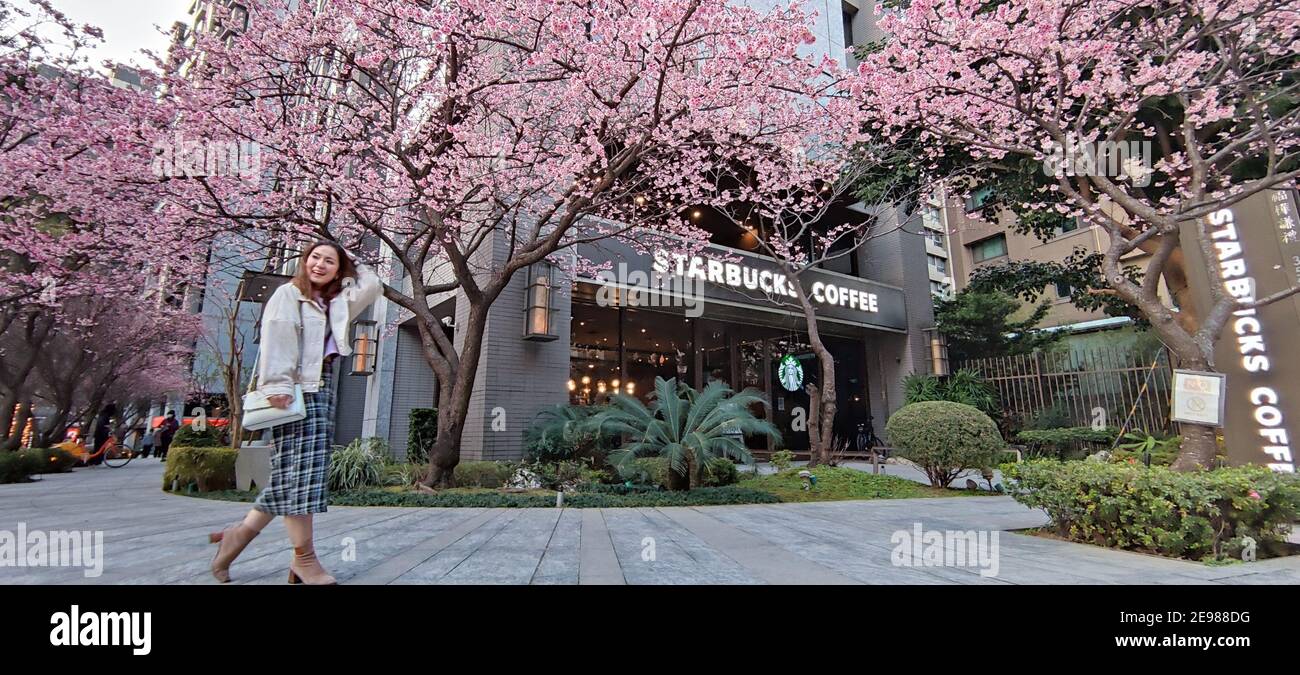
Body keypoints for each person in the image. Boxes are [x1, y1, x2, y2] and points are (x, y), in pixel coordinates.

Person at [208, 241, 380, 585]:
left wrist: (351, 257)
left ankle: (236, 538)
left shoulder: (336, 302)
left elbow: (373, 284)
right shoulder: (290, 294)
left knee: (293, 476)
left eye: (329, 261)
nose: (319, 264)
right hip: (293, 392)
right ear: (304, 261)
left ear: (339, 268)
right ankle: (304, 559)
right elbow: (277, 337)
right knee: (302, 477)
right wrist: (278, 386)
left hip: (322, 388)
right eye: (314, 257)